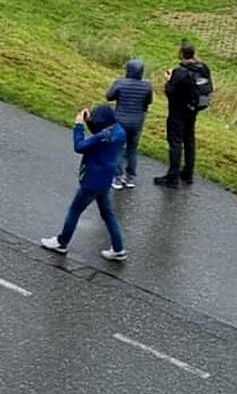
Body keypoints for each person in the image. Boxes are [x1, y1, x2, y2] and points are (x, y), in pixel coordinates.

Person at [40, 104, 129, 261]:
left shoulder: (103, 136)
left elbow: (80, 146)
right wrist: (90, 122)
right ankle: (118, 248)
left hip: (91, 180)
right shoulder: (118, 131)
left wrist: (79, 125)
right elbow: (98, 135)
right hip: (106, 179)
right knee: (108, 214)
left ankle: (62, 242)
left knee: (75, 210)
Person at [154, 43, 211, 187]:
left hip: (178, 111)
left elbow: (170, 91)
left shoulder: (180, 72)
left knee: (175, 142)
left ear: (181, 54)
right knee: (189, 140)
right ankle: (188, 173)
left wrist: (168, 80)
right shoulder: (203, 68)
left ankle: (172, 177)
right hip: (193, 108)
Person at [105, 59, 154, 190]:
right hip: (137, 122)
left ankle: (117, 178)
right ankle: (130, 178)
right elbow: (148, 102)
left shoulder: (120, 83)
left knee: (118, 148)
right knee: (132, 150)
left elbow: (109, 96)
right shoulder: (147, 86)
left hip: (120, 120)